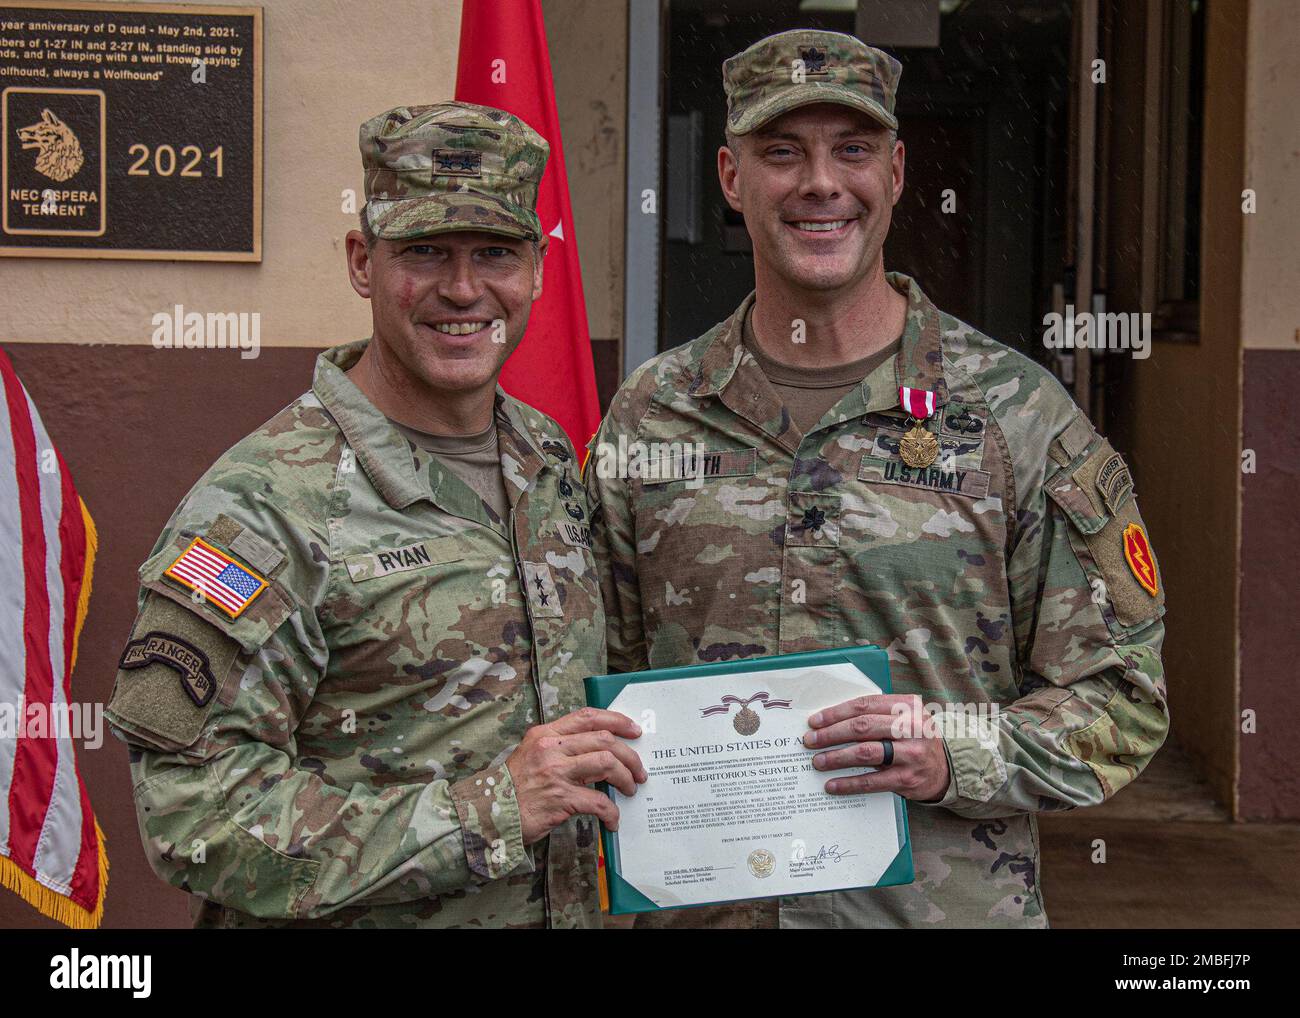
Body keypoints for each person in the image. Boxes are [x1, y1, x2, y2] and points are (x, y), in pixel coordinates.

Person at [588, 30, 1168, 928]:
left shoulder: (1017, 415)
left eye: (851, 150)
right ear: (731, 179)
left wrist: (955, 749)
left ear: (896, 174)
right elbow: (605, 682)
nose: (821, 182)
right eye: (782, 152)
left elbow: (1122, 700)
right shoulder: (652, 415)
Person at [105, 101, 645, 929]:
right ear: (362, 261)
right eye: (424, 252)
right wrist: (486, 809)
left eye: (494, 252)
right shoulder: (263, 503)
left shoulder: (542, 455)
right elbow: (193, 816)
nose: (463, 289)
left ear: (537, 267)